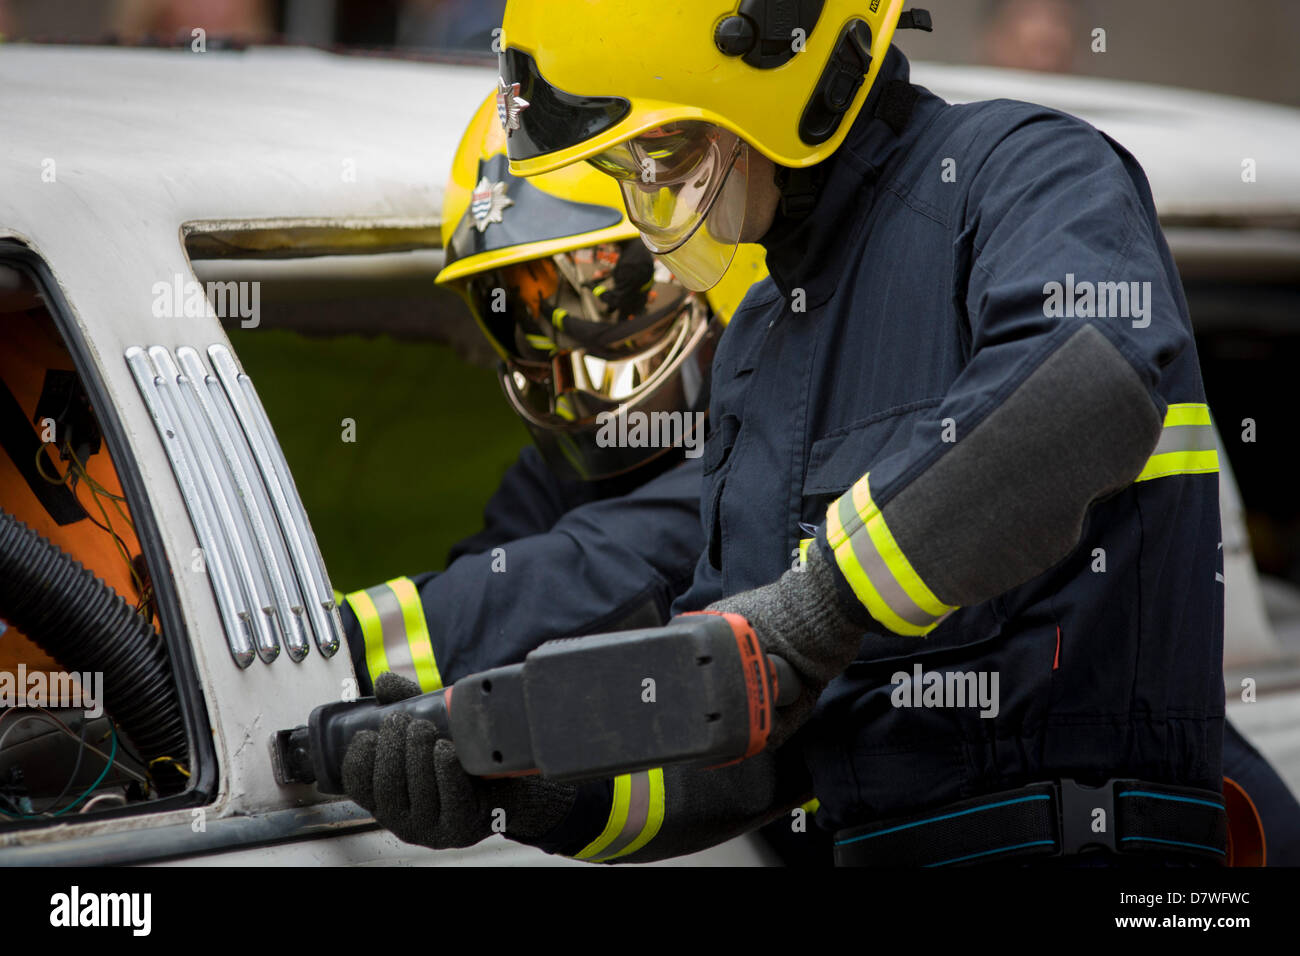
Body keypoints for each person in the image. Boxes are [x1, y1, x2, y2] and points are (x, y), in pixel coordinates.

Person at [345, 7, 1300, 864]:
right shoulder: (763, 340)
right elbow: (743, 736)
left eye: (667, 151)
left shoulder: (1028, 173)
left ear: (777, 74)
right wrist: (526, 788)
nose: (647, 190)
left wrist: (818, 608)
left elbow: (1087, 390)